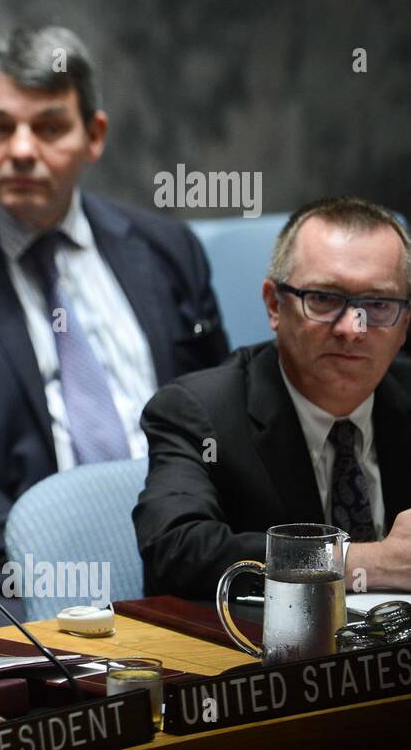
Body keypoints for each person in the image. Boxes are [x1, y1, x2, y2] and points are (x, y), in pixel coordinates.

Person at [0, 26, 228, 632]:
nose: (22, 149)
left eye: (50, 127)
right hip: (15, 571)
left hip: (186, 546)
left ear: (94, 136)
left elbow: (218, 409)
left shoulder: (166, 250)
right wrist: (53, 545)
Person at [134, 197, 411, 598]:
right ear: (273, 305)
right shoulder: (199, 411)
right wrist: (358, 563)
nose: (353, 328)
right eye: (324, 298)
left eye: (379, 304)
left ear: (405, 324)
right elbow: (176, 550)